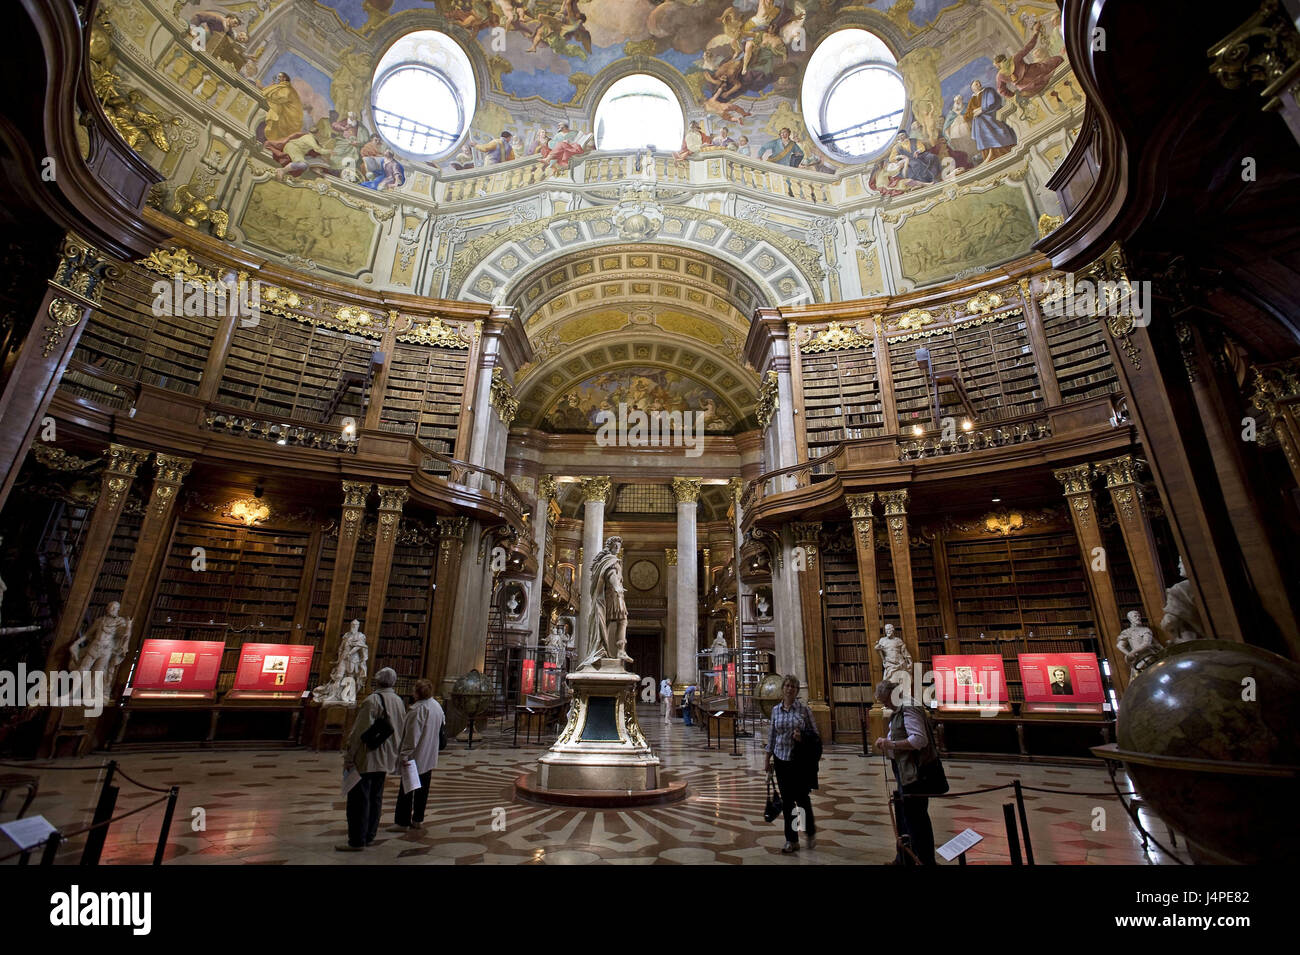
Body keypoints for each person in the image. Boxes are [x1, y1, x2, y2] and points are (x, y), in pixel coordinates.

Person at [873, 679, 946, 865]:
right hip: (906, 771)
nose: (885, 705)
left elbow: (919, 740)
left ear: (893, 695)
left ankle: (924, 859)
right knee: (907, 816)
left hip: (916, 772)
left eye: (886, 701)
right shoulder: (900, 709)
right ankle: (906, 857)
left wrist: (891, 744)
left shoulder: (909, 707)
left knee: (916, 818)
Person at [338, 667, 405, 851]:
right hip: (386, 757)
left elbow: (359, 732)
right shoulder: (399, 701)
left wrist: (350, 756)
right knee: (376, 797)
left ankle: (357, 839)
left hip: (368, 756)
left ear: (376, 681)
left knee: (359, 799)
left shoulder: (372, 700)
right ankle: (370, 833)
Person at [764, 674, 817, 854]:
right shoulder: (776, 710)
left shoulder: (804, 710)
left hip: (798, 760)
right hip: (781, 759)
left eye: (793, 687)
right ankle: (791, 839)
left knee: (801, 799)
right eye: (787, 686)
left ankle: (808, 831)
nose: (789, 689)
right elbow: (772, 735)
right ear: (782, 689)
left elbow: (815, 735)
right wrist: (767, 758)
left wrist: (802, 737)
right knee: (787, 801)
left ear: (796, 690)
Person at [389, 679, 444, 832]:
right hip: (430, 754)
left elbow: (412, 736)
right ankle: (418, 819)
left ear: (417, 693)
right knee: (423, 789)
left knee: (407, 790)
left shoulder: (418, 709)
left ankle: (402, 821)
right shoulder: (436, 706)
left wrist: (404, 755)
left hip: (415, 756)